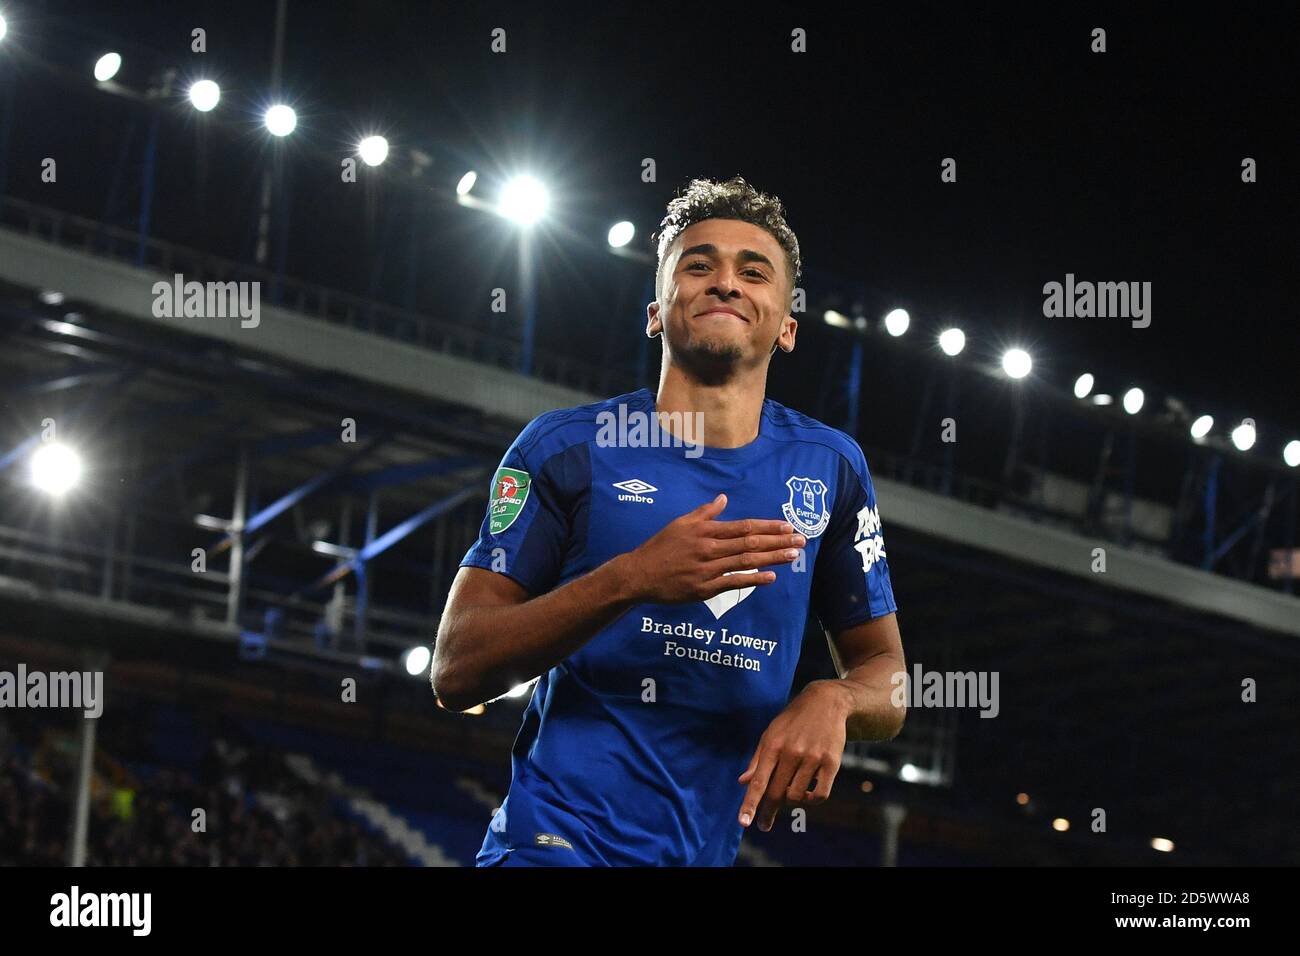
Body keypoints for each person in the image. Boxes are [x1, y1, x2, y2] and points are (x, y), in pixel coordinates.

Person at [433, 175, 906, 866]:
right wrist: (628, 579)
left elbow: (888, 674)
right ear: (656, 311)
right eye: (698, 265)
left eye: (753, 271)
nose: (725, 283)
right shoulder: (566, 448)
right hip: (552, 845)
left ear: (788, 327)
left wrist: (834, 699)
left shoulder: (832, 469)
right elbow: (456, 669)